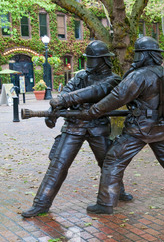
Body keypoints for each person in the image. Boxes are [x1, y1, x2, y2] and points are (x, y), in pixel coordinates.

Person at [77, 36, 164, 215]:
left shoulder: (140, 75)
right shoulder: (163, 73)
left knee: (113, 159)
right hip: (160, 127)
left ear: (144, 55)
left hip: (139, 128)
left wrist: (93, 111)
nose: (135, 58)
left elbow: (117, 97)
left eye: (138, 53)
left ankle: (105, 203)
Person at [22, 40, 133, 218]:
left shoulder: (113, 79)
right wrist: (53, 110)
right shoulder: (81, 76)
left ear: (103, 60)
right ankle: (40, 204)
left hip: (98, 127)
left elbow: (96, 91)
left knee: (108, 164)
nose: (89, 62)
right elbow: (66, 91)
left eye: (92, 59)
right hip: (74, 126)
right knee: (58, 165)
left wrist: (64, 101)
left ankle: (118, 192)